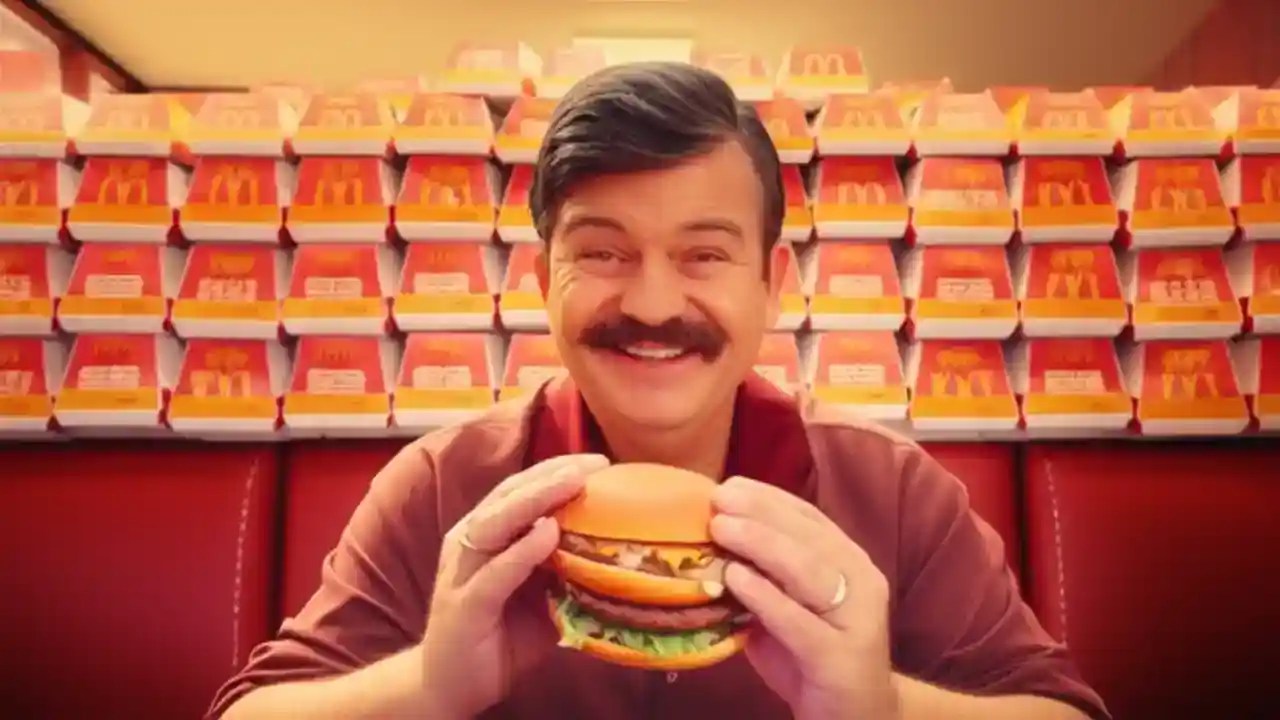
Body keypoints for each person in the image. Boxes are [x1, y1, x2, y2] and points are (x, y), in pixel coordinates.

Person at [210, 62, 1108, 720]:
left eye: (704, 255)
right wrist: (429, 688)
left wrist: (882, 707)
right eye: (601, 251)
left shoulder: (894, 494)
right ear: (543, 276)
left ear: (772, 281)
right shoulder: (448, 490)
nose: (649, 302)